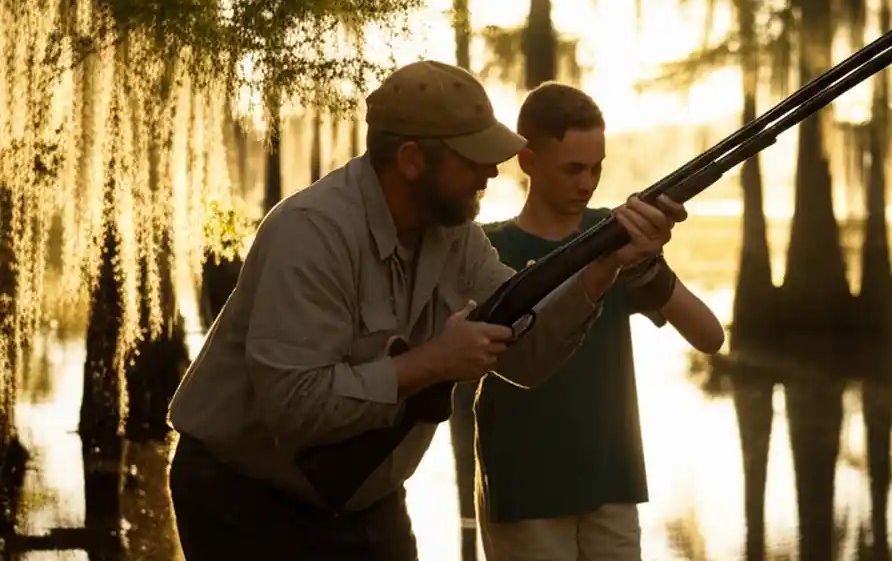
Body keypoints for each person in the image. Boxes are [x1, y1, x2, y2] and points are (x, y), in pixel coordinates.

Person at [165, 61, 689, 561]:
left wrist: (602, 267)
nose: (490, 172)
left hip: (363, 490)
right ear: (412, 160)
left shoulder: (456, 233)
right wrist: (435, 363)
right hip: (243, 495)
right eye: (472, 158)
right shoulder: (310, 232)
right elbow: (295, 407)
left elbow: (525, 362)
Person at [473, 82, 725, 560]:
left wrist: (645, 263)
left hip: (613, 478)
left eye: (596, 168)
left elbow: (709, 335)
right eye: (573, 169)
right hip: (524, 486)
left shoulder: (618, 236)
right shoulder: (487, 250)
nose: (587, 183)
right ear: (528, 161)